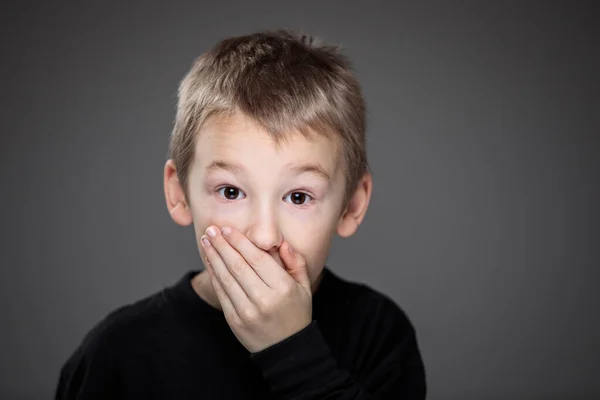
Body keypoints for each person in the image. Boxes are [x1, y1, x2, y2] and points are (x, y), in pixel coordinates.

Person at [55, 29, 427, 399]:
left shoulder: (378, 333)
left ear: (352, 205)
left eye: (298, 197)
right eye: (231, 192)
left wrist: (292, 349)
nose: (264, 236)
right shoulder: (117, 353)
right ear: (179, 194)